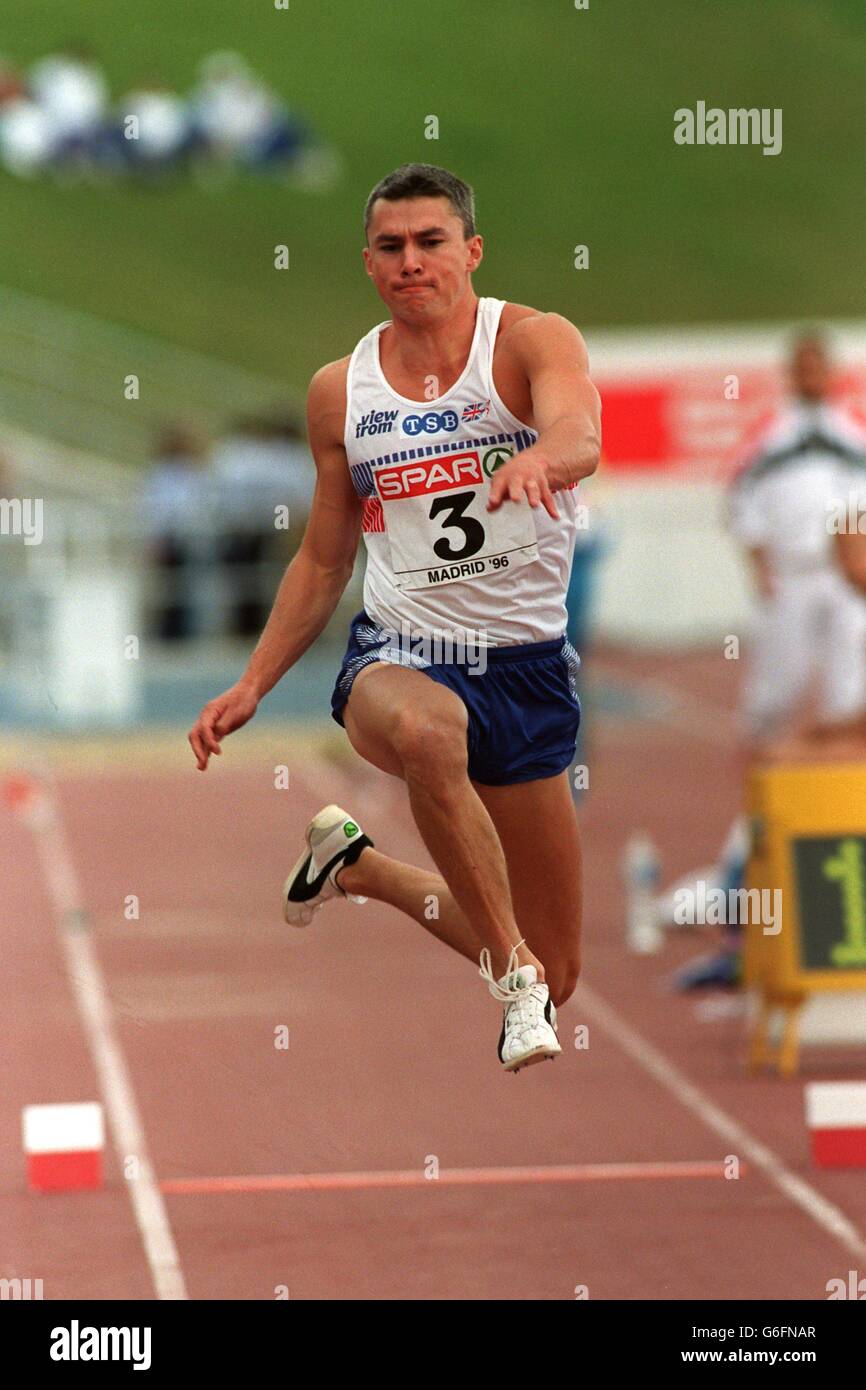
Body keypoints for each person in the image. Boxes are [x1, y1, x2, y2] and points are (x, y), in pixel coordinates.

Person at [189, 163, 601, 1072]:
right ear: (369, 265)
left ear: (471, 252)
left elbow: (580, 431)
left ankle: (361, 867)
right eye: (391, 247)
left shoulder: (527, 341)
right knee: (424, 733)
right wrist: (253, 682)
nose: (411, 261)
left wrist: (546, 464)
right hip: (402, 650)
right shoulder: (341, 392)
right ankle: (515, 989)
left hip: (526, 668)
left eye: (430, 242)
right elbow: (327, 553)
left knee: (563, 964)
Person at [670, 332, 866, 990]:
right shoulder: (772, 440)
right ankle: (751, 852)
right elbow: (742, 503)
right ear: (792, 373)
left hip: (843, 585)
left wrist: (856, 569)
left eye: (821, 364)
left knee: (846, 712)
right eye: (803, 365)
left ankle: (829, 842)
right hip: (792, 576)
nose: (813, 374)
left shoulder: (852, 437)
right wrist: (760, 567)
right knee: (771, 715)